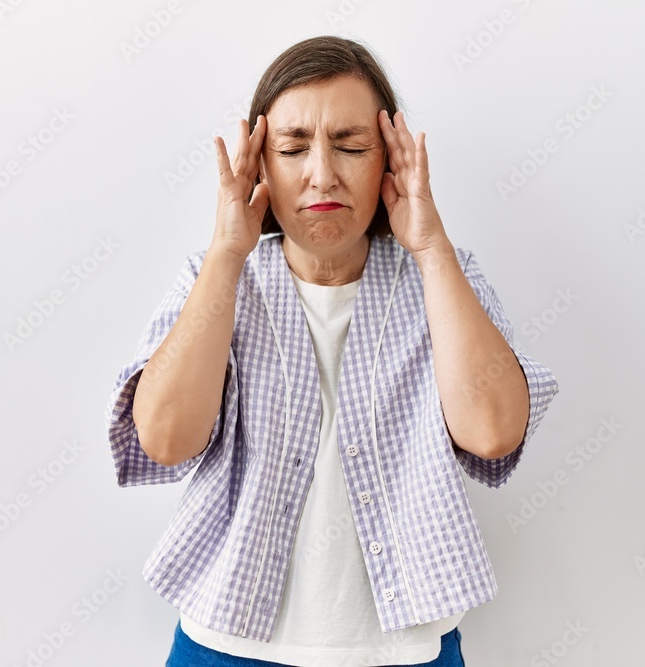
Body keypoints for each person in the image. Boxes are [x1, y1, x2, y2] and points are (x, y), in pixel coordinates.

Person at [106, 35, 559, 667]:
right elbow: (165, 439)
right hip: (225, 645)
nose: (322, 174)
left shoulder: (441, 279)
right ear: (260, 167)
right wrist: (227, 254)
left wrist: (431, 247)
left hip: (407, 651)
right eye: (293, 149)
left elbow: (492, 433)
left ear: (389, 161)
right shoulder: (214, 280)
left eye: (350, 146)